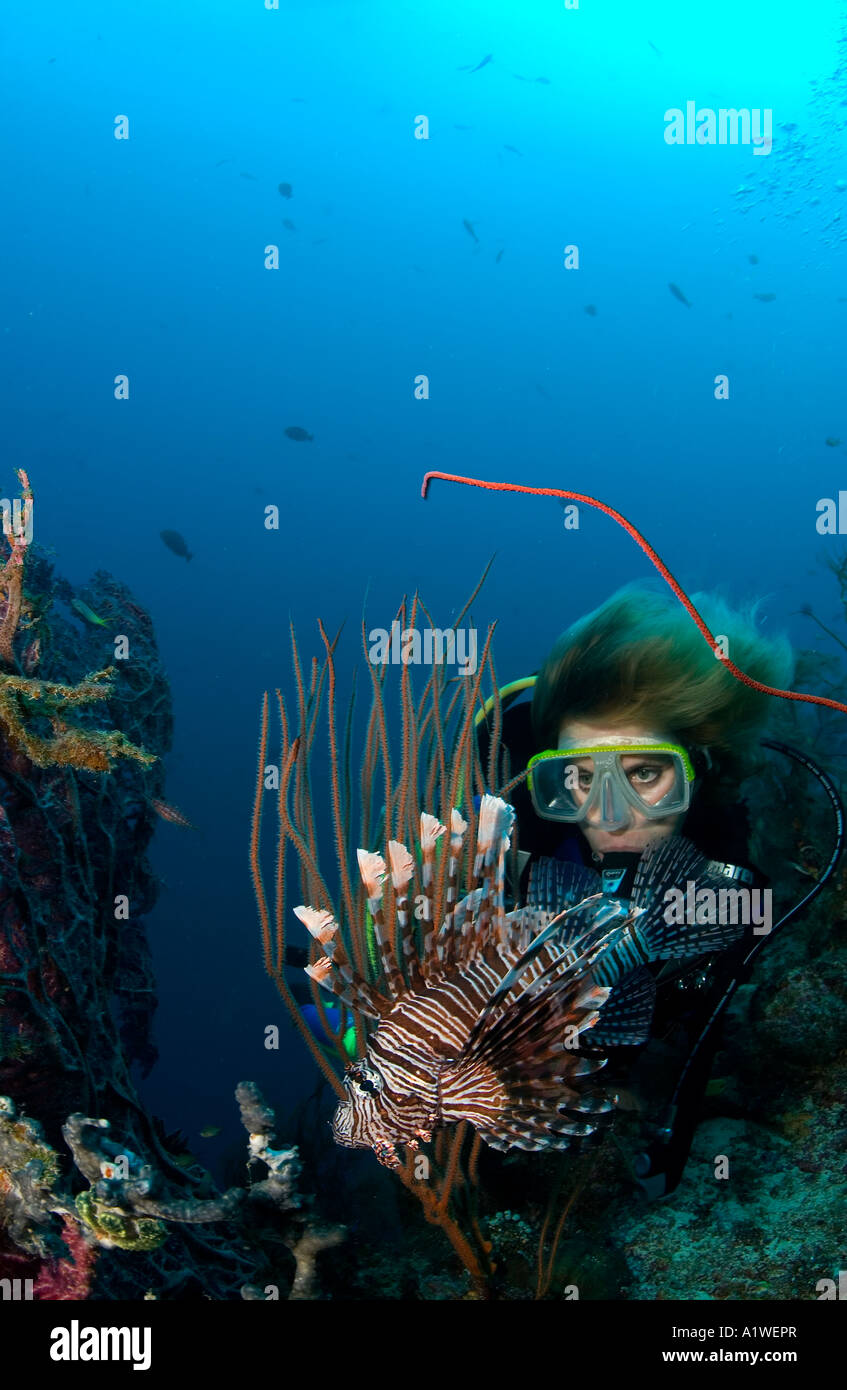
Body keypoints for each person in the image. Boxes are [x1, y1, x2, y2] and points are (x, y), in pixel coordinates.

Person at [477, 581, 795, 1197]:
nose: (610, 816)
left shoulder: (726, 877)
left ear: (700, 767)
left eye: (645, 772)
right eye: (578, 777)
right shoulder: (501, 850)